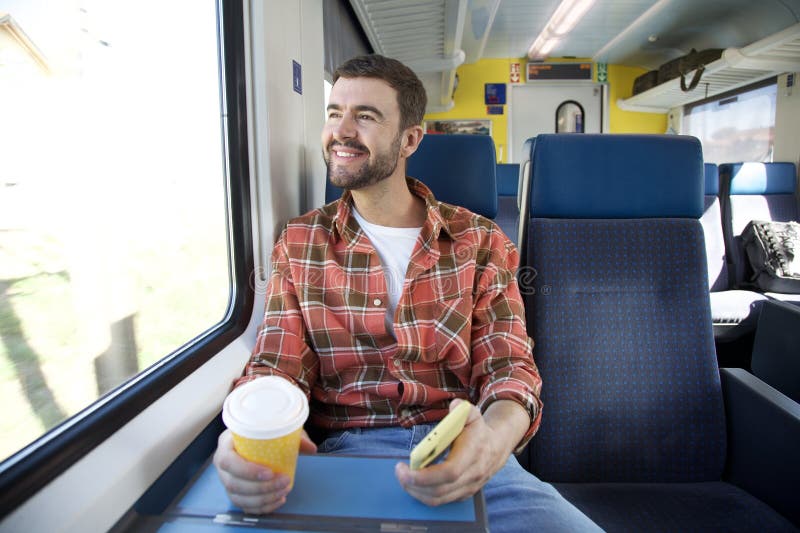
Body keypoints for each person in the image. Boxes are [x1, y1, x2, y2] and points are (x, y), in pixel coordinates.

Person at [213, 54, 600, 532]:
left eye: (366, 116)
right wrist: (247, 432)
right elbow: (277, 365)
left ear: (410, 140)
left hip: (465, 448)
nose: (342, 130)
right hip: (349, 456)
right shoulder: (300, 242)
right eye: (334, 113)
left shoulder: (480, 241)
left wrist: (494, 443)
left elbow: (509, 368)